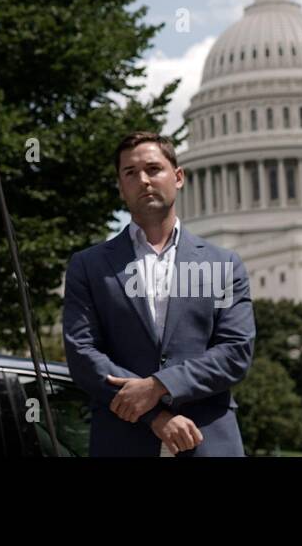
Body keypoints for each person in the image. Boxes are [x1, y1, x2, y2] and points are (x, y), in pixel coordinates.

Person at [63, 131, 254, 456]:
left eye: (153, 169)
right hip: (123, 442)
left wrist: (159, 386)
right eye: (130, 173)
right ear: (120, 188)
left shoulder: (223, 264)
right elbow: (82, 354)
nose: (144, 180)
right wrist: (154, 415)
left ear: (178, 177)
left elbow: (235, 351)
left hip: (208, 442)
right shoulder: (88, 266)